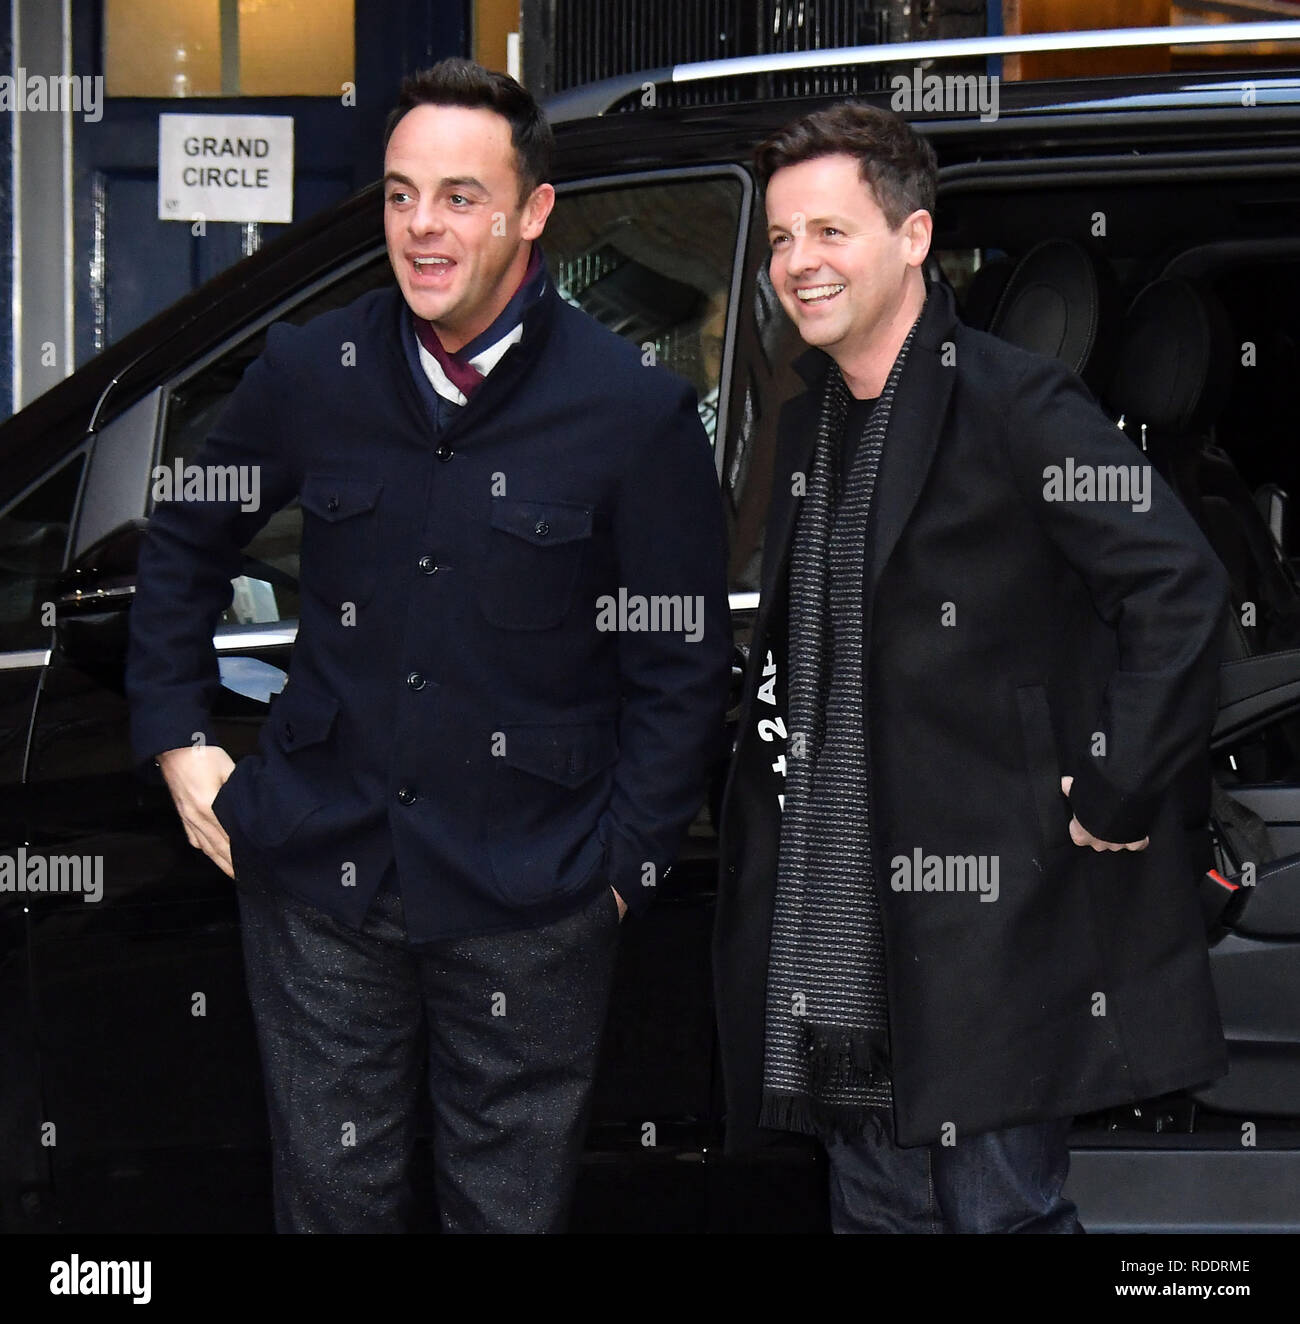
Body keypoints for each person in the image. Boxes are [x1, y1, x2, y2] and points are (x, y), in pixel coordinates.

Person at [126, 57, 731, 1233]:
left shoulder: (631, 413)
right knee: (329, 1204)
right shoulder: (312, 374)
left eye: (459, 196)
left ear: (532, 213)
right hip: (317, 881)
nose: (422, 227)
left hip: (535, 897)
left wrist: (620, 869)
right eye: (402, 195)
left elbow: (678, 665)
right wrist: (177, 739)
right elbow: (181, 543)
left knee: (505, 1216)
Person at [713, 101, 1230, 1234]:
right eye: (785, 238)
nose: (797, 263)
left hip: (991, 937)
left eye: (830, 233)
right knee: (879, 1217)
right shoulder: (815, 425)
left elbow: (1179, 589)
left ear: (912, 238)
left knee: (998, 1219)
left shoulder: (1014, 402)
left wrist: (1113, 784)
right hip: (847, 935)